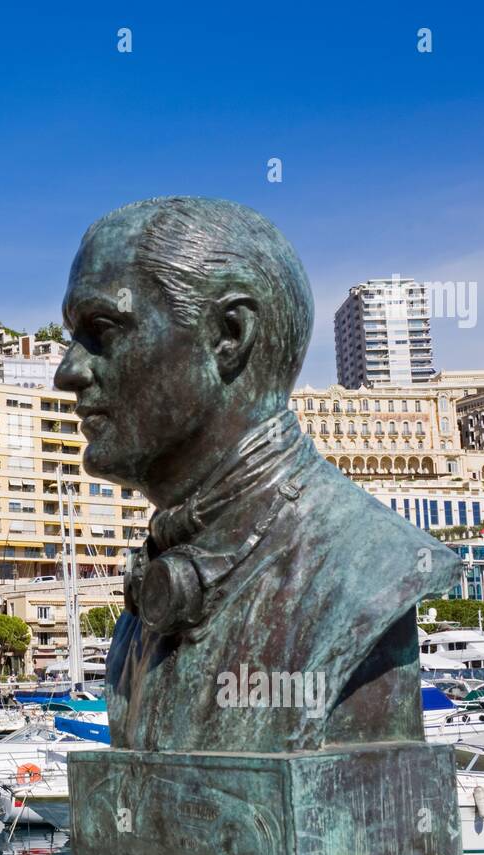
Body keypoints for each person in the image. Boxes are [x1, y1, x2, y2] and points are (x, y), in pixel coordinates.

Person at [54, 197, 460, 754]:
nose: (67, 372)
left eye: (103, 328)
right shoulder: (151, 593)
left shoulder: (367, 569)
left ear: (229, 334)